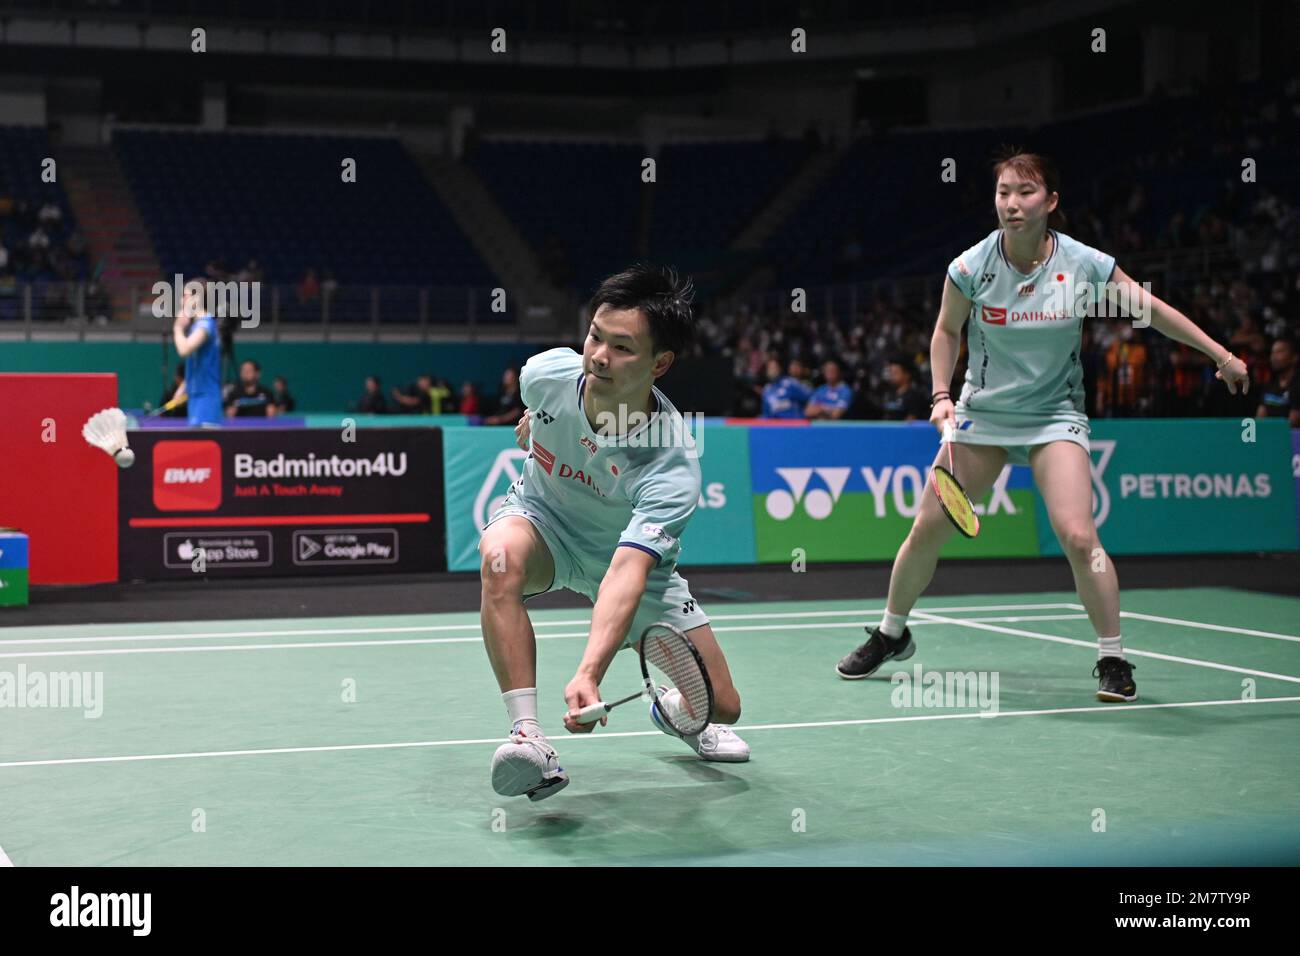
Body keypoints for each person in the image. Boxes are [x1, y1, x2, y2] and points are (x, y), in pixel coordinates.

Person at [835, 151, 1249, 702]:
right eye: (1003, 192)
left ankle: (1112, 657)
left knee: (1079, 536)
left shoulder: (1083, 265)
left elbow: (1149, 308)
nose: (1011, 203)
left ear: (1051, 202)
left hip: (1055, 416)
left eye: (1025, 193)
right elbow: (945, 332)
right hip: (985, 414)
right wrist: (939, 395)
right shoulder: (970, 267)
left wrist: (1220, 355)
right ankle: (891, 632)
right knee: (927, 527)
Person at [480, 264, 749, 802]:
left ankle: (674, 709)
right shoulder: (544, 375)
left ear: (660, 363)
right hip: (544, 523)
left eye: (623, 348)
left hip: (622, 559)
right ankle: (529, 738)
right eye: (595, 335)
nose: (599, 356)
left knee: (721, 704)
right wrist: (534, 422)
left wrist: (589, 672)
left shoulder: (671, 463)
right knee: (499, 559)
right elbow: (540, 407)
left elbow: (627, 571)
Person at [172, 279, 222, 427]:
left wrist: (178, 328)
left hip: (206, 399)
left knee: (204, 447)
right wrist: (183, 388)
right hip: (195, 397)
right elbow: (198, 364)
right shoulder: (197, 326)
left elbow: (184, 350)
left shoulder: (205, 325)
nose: (181, 301)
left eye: (185, 296)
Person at [1256, 335, 1299, 426]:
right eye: (1273, 353)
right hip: (1270, 436)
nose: (1274, 357)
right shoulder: (1269, 385)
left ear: (1294, 357)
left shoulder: (1297, 386)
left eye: (1280, 352)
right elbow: (1259, 420)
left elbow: (1292, 424)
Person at [876, 355, 929, 421]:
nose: (892, 376)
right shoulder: (888, 394)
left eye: (896, 372)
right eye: (891, 372)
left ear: (907, 375)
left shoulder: (915, 396)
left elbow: (911, 422)